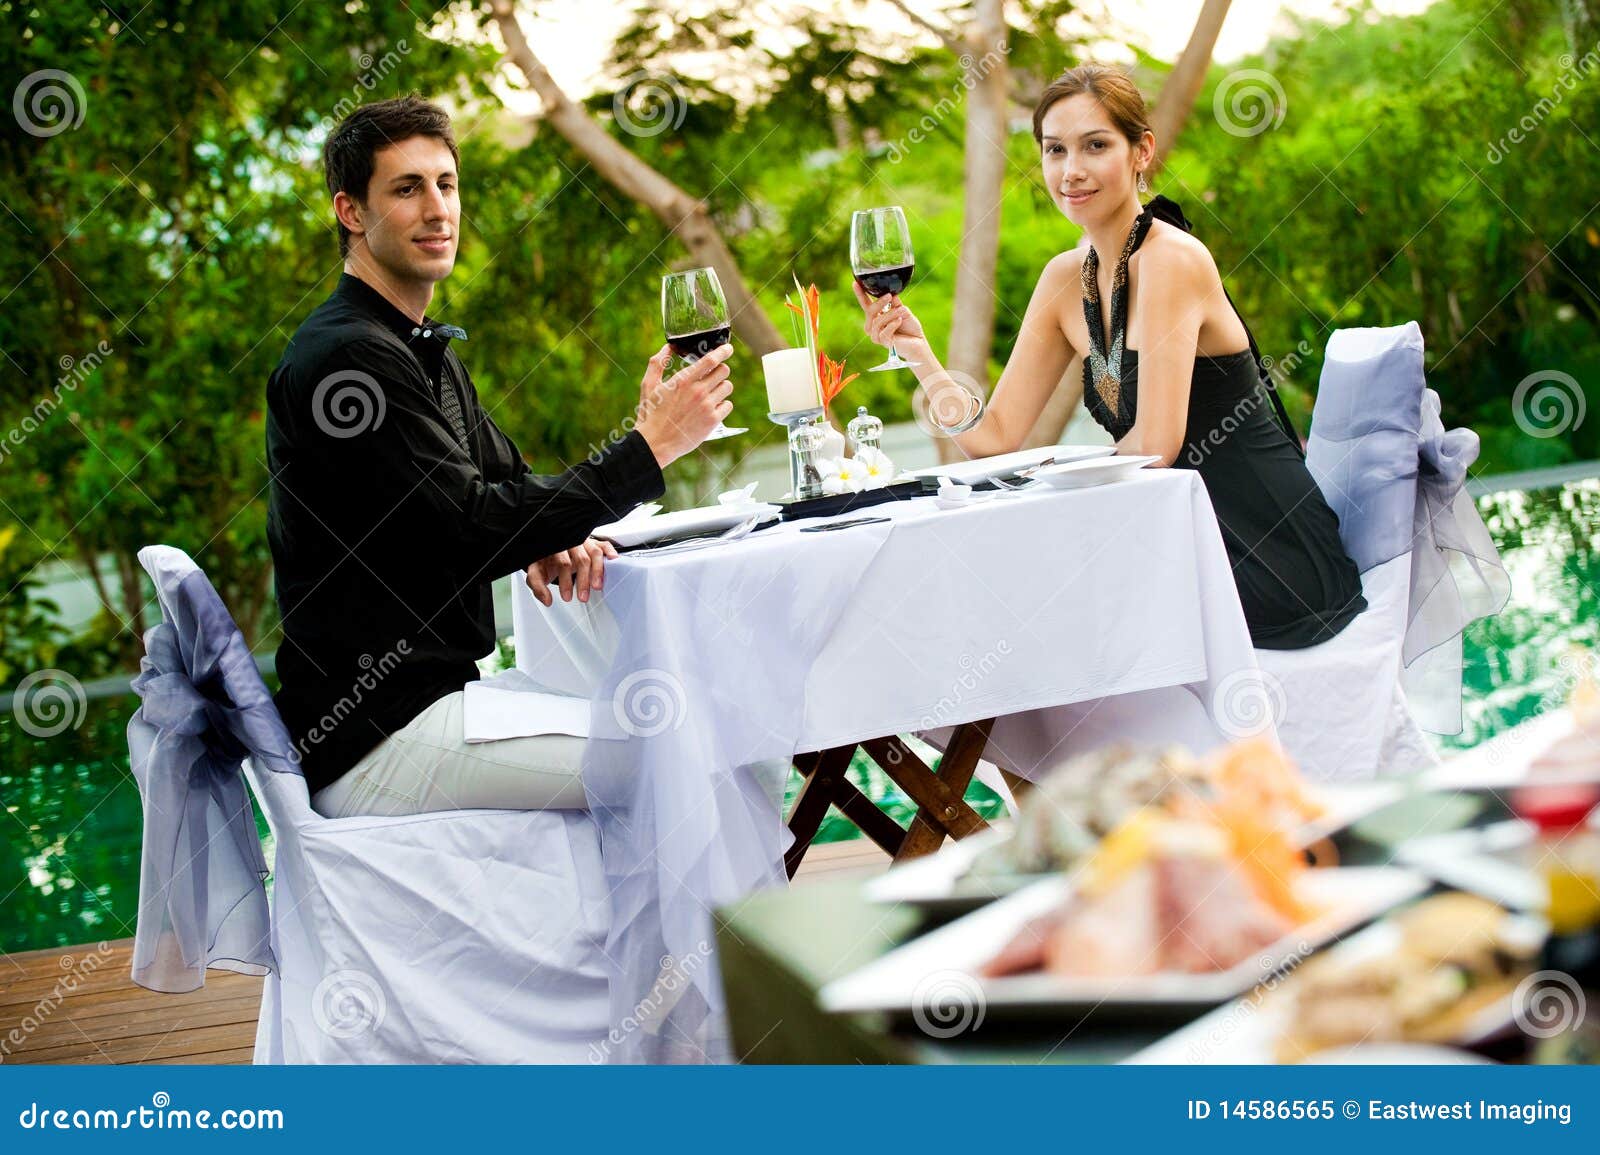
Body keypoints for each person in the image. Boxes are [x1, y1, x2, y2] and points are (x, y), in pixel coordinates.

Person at [265, 95, 733, 818]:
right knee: (686, 754)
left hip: (436, 705)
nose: (437, 209)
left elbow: (504, 492)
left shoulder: (421, 349)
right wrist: (653, 445)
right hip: (377, 737)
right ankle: (718, 934)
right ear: (350, 212)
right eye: (406, 188)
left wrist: (552, 534)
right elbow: (476, 527)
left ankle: (678, 932)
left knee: (705, 723)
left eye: (446, 184)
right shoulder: (349, 359)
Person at [854, 64, 1366, 650]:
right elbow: (993, 437)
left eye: (1095, 146)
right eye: (1055, 150)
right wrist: (919, 355)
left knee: (1045, 621)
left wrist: (1049, 491)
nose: (1071, 171)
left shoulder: (1173, 259)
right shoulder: (1063, 280)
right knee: (996, 617)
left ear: (1140, 152)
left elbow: (1155, 448)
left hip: (1273, 560)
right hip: (1185, 548)